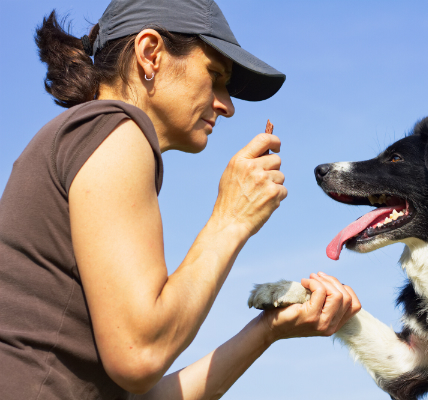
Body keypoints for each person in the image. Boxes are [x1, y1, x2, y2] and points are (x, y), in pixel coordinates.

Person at [0, 1, 361, 399]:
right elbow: (140, 354)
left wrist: (268, 331)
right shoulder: (115, 129)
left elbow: (145, 392)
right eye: (215, 76)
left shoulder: (83, 138)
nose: (227, 106)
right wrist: (232, 217)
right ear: (150, 53)